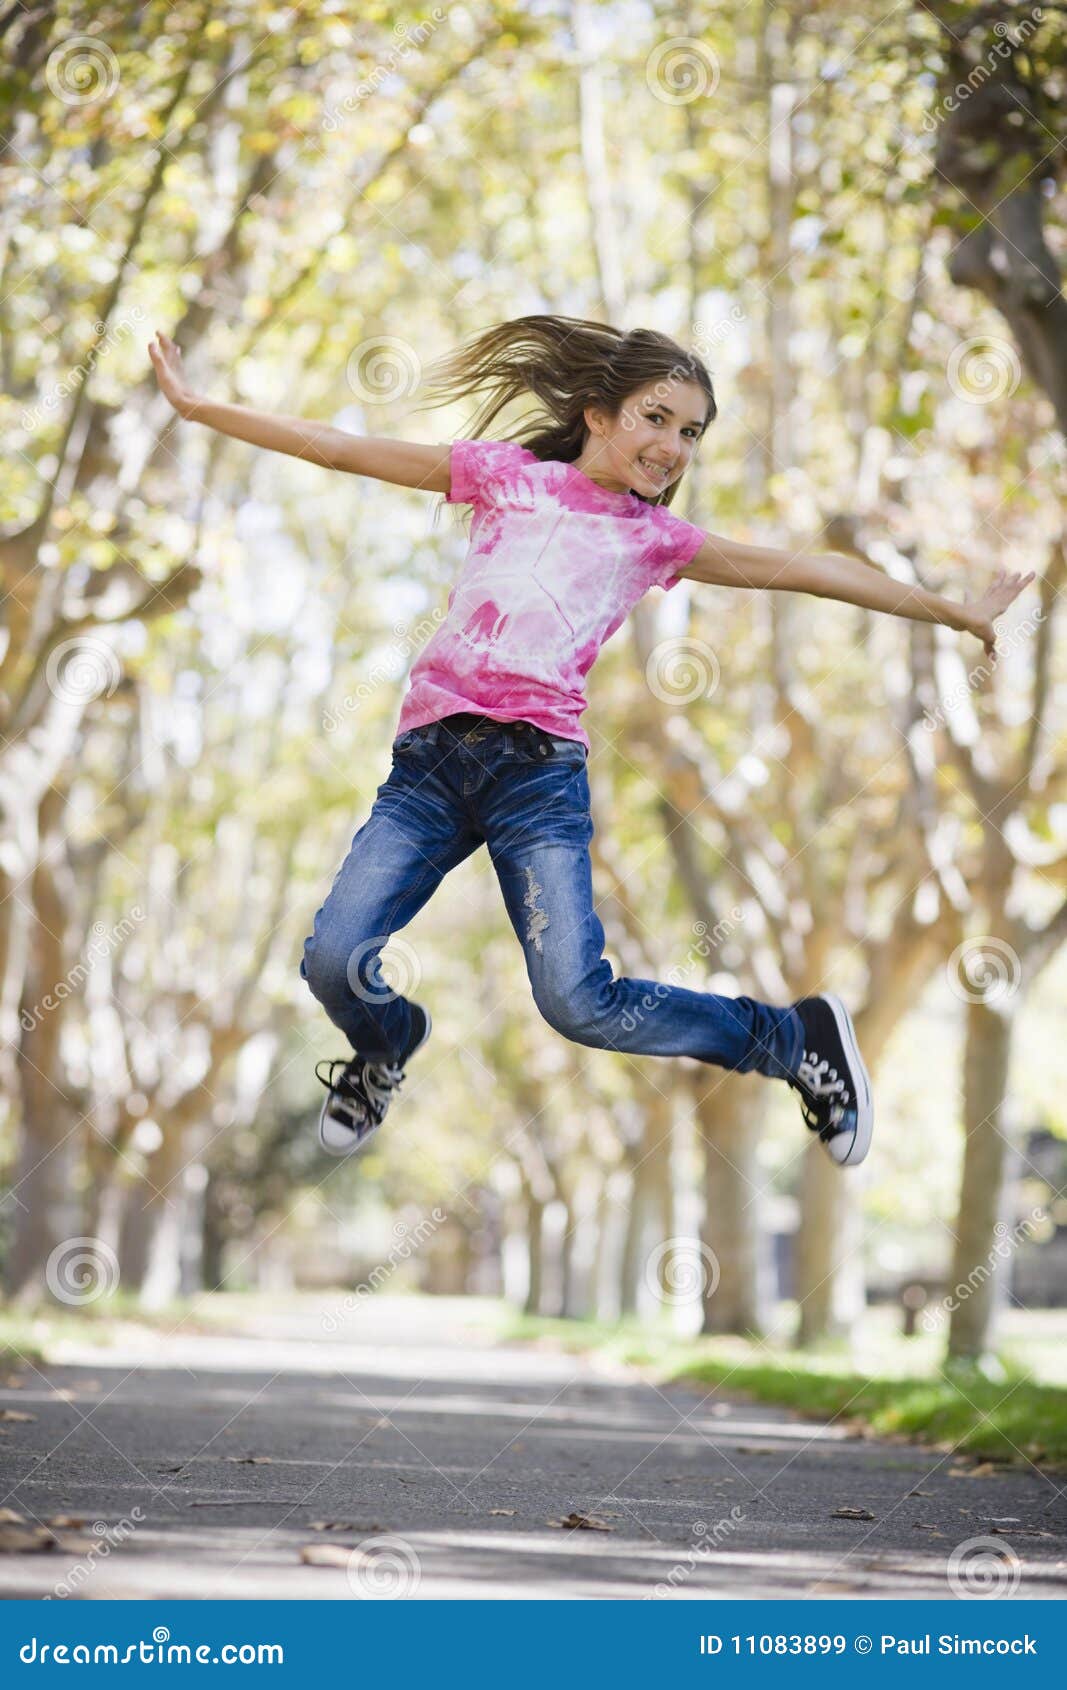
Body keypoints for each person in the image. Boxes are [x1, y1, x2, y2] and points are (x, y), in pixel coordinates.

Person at [148, 315, 1033, 1171]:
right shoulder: (500, 476)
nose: (674, 446)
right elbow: (336, 447)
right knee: (334, 959)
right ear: (597, 415)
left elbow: (810, 572)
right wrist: (199, 409)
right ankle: (384, 1048)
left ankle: (792, 1038)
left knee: (577, 1002)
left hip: (536, 777)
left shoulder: (657, 540)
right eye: (657, 418)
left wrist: (955, 612)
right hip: (429, 767)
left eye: (690, 432)